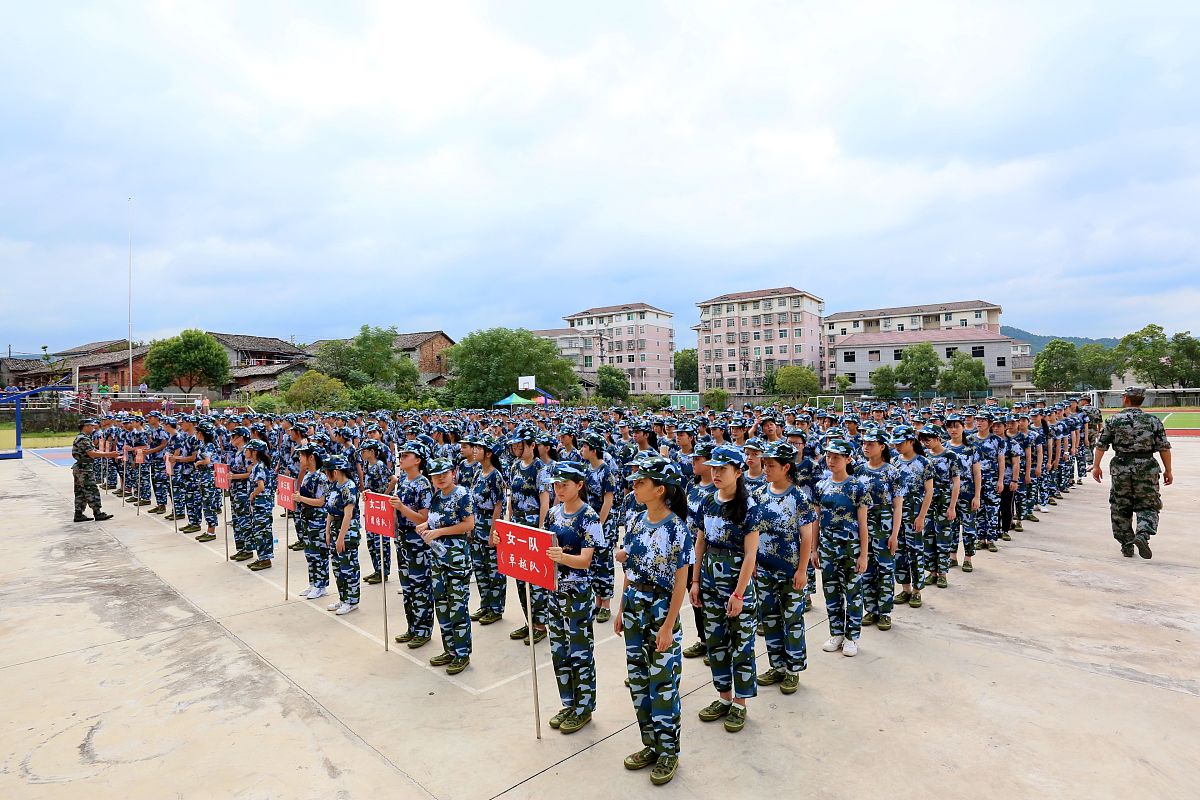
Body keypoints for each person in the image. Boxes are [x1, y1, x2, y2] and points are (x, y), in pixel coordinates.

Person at [615, 456, 691, 786]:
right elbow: (630, 569)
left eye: (641, 481)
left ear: (660, 490)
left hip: (661, 608)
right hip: (634, 605)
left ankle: (668, 751)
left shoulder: (677, 528)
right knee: (639, 680)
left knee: (662, 684)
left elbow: (680, 583)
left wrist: (668, 626)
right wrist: (621, 607)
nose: (635, 485)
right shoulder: (634, 520)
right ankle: (651, 744)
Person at [692, 445, 761, 733]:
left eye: (723, 469)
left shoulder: (749, 506)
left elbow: (750, 555)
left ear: (738, 471)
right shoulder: (707, 502)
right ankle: (723, 697)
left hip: (736, 585)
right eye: (714, 468)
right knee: (717, 643)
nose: (716, 473)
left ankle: (740, 703)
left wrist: (739, 594)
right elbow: (700, 542)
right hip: (709, 583)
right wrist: (695, 582)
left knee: (741, 646)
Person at [754, 441, 817, 692]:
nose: (766, 469)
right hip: (765, 569)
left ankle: (794, 668)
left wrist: (802, 570)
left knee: (791, 619)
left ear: (786, 467)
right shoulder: (759, 494)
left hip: (791, 570)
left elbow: (807, 537)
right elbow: (754, 531)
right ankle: (777, 665)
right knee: (769, 617)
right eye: (765, 464)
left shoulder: (798, 497)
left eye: (771, 465)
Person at [544, 462, 601, 733]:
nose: (559, 489)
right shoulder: (553, 513)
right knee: (559, 649)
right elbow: (539, 543)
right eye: (556, 484)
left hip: (576, 592)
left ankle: (584, 707)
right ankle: (568, 702)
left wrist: (562, 557)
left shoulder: (588, 516)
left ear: (579, 485)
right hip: (553, 590)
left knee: (580, 650)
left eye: (565, 484)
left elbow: (586, 561)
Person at [1092, 387, 1173, 559]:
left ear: (1126, 399)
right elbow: (1164, 448)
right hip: (1146, 468)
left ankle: (1127, 545)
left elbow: (1101, 445)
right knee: (1148, 505)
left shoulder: (1113, 420)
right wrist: (1168, 470)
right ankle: (1143, 534)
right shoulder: (1153, 420)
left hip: (1121, 468)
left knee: (1120, 505)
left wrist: (1096, 466)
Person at [420, 457, 476, 675]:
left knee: (457, 607)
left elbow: (468, 525)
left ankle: (462, 653)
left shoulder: (461, 494)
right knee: (442, 605)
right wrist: (425, 526)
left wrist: (438, 532)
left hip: (456, 559)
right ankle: (450, 649)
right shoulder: (437, 496)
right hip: (437, 558)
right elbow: (437, 521)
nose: (440, 478)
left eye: (444, 473)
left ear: (453, 473)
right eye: (436, 475)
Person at [815, 439, 871, 656]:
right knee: (831, 592)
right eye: (828, 456)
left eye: (836, 457)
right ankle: (836, 632)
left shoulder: (857, 487)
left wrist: (864, 554)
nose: (831, 461)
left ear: (848, 459)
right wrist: (814, 549)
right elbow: (816, 520)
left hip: (850, 548)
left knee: (853, 593)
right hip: (828, 548)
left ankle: (852, 637)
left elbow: (863, 524)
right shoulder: (822, 485)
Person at [323, 455, 361, 615]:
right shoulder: (335, 486)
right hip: (335, 528)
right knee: (338, 568)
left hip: (347, 531)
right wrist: (327, 531)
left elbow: (348, 515)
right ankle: (343, 597)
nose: (326, 475)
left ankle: (351, 600)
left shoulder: (349, 487)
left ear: (336, 471)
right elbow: (330, 511)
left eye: (328, 472)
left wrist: (340, 538)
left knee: (348, 567)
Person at [293, 444, 331, 600]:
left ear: (311, 457)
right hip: (307, 519)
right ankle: (313, 582)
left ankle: (321, 585)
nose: (299, 458)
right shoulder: (308, 475)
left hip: (318, 520)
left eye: (302, 455)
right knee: (310, 553)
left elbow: (321, 501)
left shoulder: (321, 477)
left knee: (319, 554)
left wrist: (301, 499)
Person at [72, 419, 116, 522]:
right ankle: (98, 513)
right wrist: (109, 454)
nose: (93, 428)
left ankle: (78, 514)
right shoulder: (83, 439)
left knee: (80, 492)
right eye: (91, 426)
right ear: (86, 427)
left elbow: (94, 450)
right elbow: (91, 453)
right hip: (84, 469)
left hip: (80, 468)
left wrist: (105, 452)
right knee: (92, 490)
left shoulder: (82, 437)